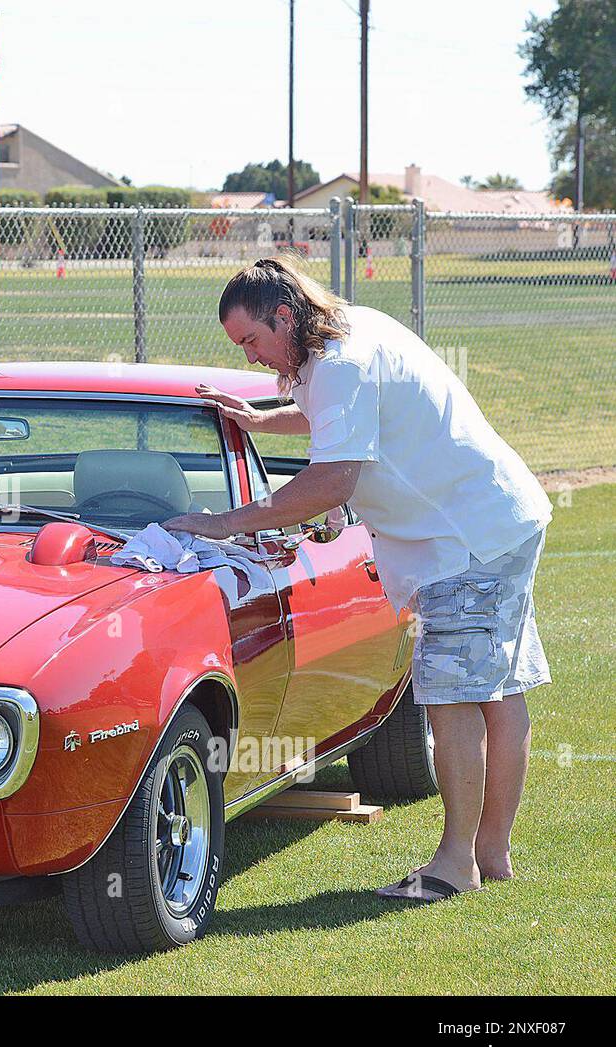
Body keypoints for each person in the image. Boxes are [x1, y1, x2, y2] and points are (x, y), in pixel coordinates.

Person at [163, 254, 553, 904]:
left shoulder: (341, 361)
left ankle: (457, 864)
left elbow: (331, 481)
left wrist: (227, 523)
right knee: (499, 691)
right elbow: (341, 414)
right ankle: (491, 852)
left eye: (252, 341)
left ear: (283, 316)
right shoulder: (348, 333)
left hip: (465, 543)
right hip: (497, 520)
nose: (253, 357)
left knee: (455, 698)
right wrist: (264, 420)